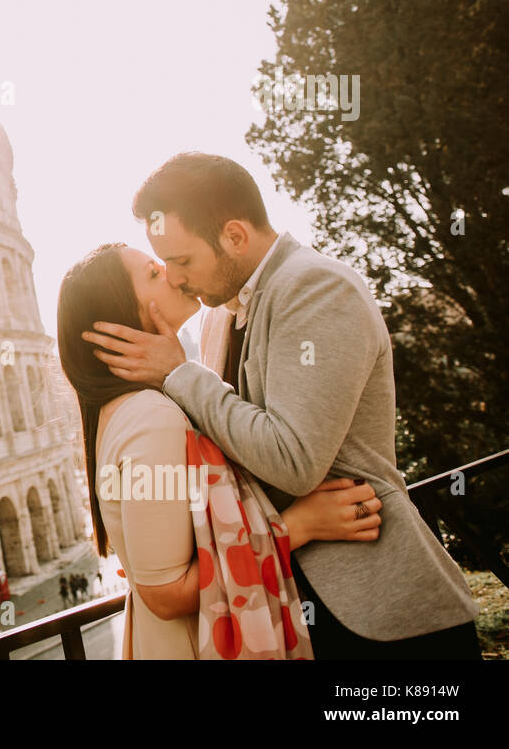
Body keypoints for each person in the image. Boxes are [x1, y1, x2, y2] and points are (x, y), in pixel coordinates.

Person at [82, 152, 480, 659]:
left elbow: (293, 463)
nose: (177, 279)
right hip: (290, 604)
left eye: (182, 261)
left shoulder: (316, 287)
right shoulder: (216, 318)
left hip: (381, 610)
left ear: (234, 236)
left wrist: (178, 373)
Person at [58, 241, 384, 658]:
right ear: (119, 318)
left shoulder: (131, 410)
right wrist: (301, 525)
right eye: (154, 273)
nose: (173, 274)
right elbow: (165, 593)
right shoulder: (150, 420)